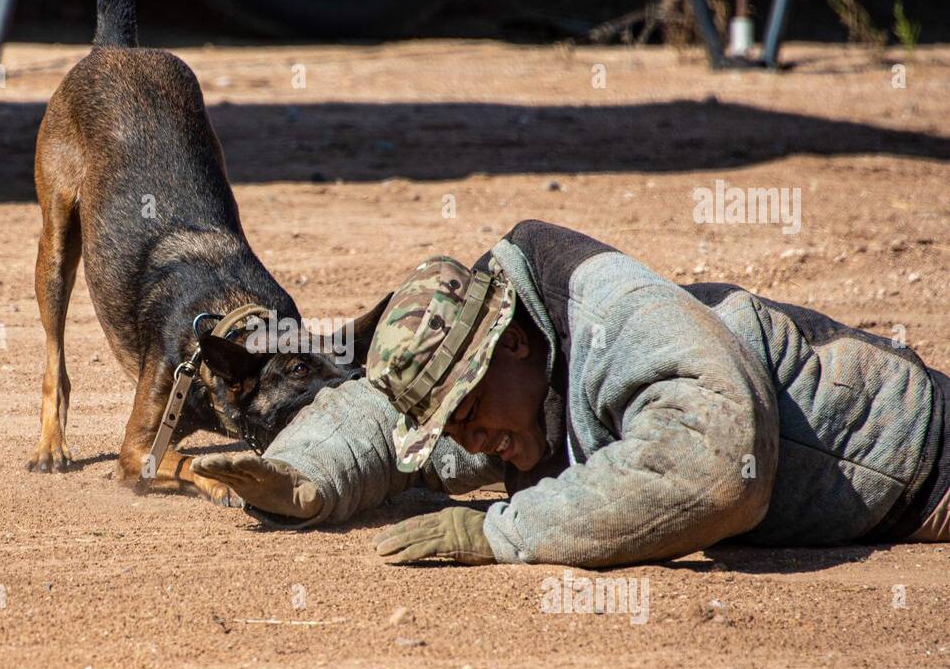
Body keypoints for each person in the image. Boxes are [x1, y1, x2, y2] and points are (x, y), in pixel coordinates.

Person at [191, 220, 950, 568]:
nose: (466, 441)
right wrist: (306, 476)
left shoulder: (616, 318)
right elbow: (392, 415)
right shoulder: (512, 373)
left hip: (932, 467)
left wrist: (502, 532)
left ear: (512, 344)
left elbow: (717, 474)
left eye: (466, 414)